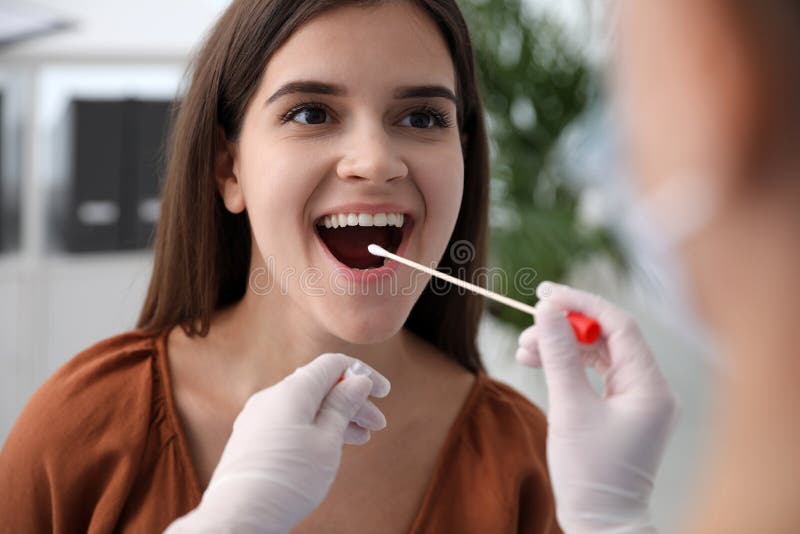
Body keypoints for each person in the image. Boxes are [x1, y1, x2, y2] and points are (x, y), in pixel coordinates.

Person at [0, 1, 563, 532]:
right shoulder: (80, 431)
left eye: (421, 117)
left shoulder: (528, 462)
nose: (375, 161)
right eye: (311, 112)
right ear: (229, 167)